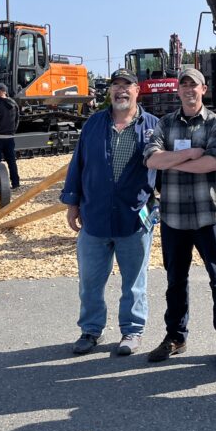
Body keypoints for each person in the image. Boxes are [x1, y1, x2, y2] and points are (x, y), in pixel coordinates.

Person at [60, 68, 159, 357]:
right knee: (90, 280)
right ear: (110, 92)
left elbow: (165, 171)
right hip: (95, 216)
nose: (120, 91)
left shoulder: (153, 126)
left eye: (126, 85)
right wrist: (72, 202)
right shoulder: (93, 124)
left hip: (134, 218)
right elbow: (78, 164)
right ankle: (91, 330)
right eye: (116, 86)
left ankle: (132, 331)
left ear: (137, 90)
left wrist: (159, 207)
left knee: (134, 283)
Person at [143, 67, 216, 369]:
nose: (188, 90)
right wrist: (190, 154)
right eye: (183, 85)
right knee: (175, 280)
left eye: (193, 86)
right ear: (178, 90)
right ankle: (175, 336)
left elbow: (213, 163)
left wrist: (172, 162)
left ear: (203, 89)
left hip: (207, 214)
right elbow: (151, 159)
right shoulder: (164, 124)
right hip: (173, 217)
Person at [0, 83, 21, 191]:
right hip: (9, 137)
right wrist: (12, 132)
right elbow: (17, 120)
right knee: (11, 161)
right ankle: (15, 183)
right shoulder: (14, 103)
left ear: (0, 91)